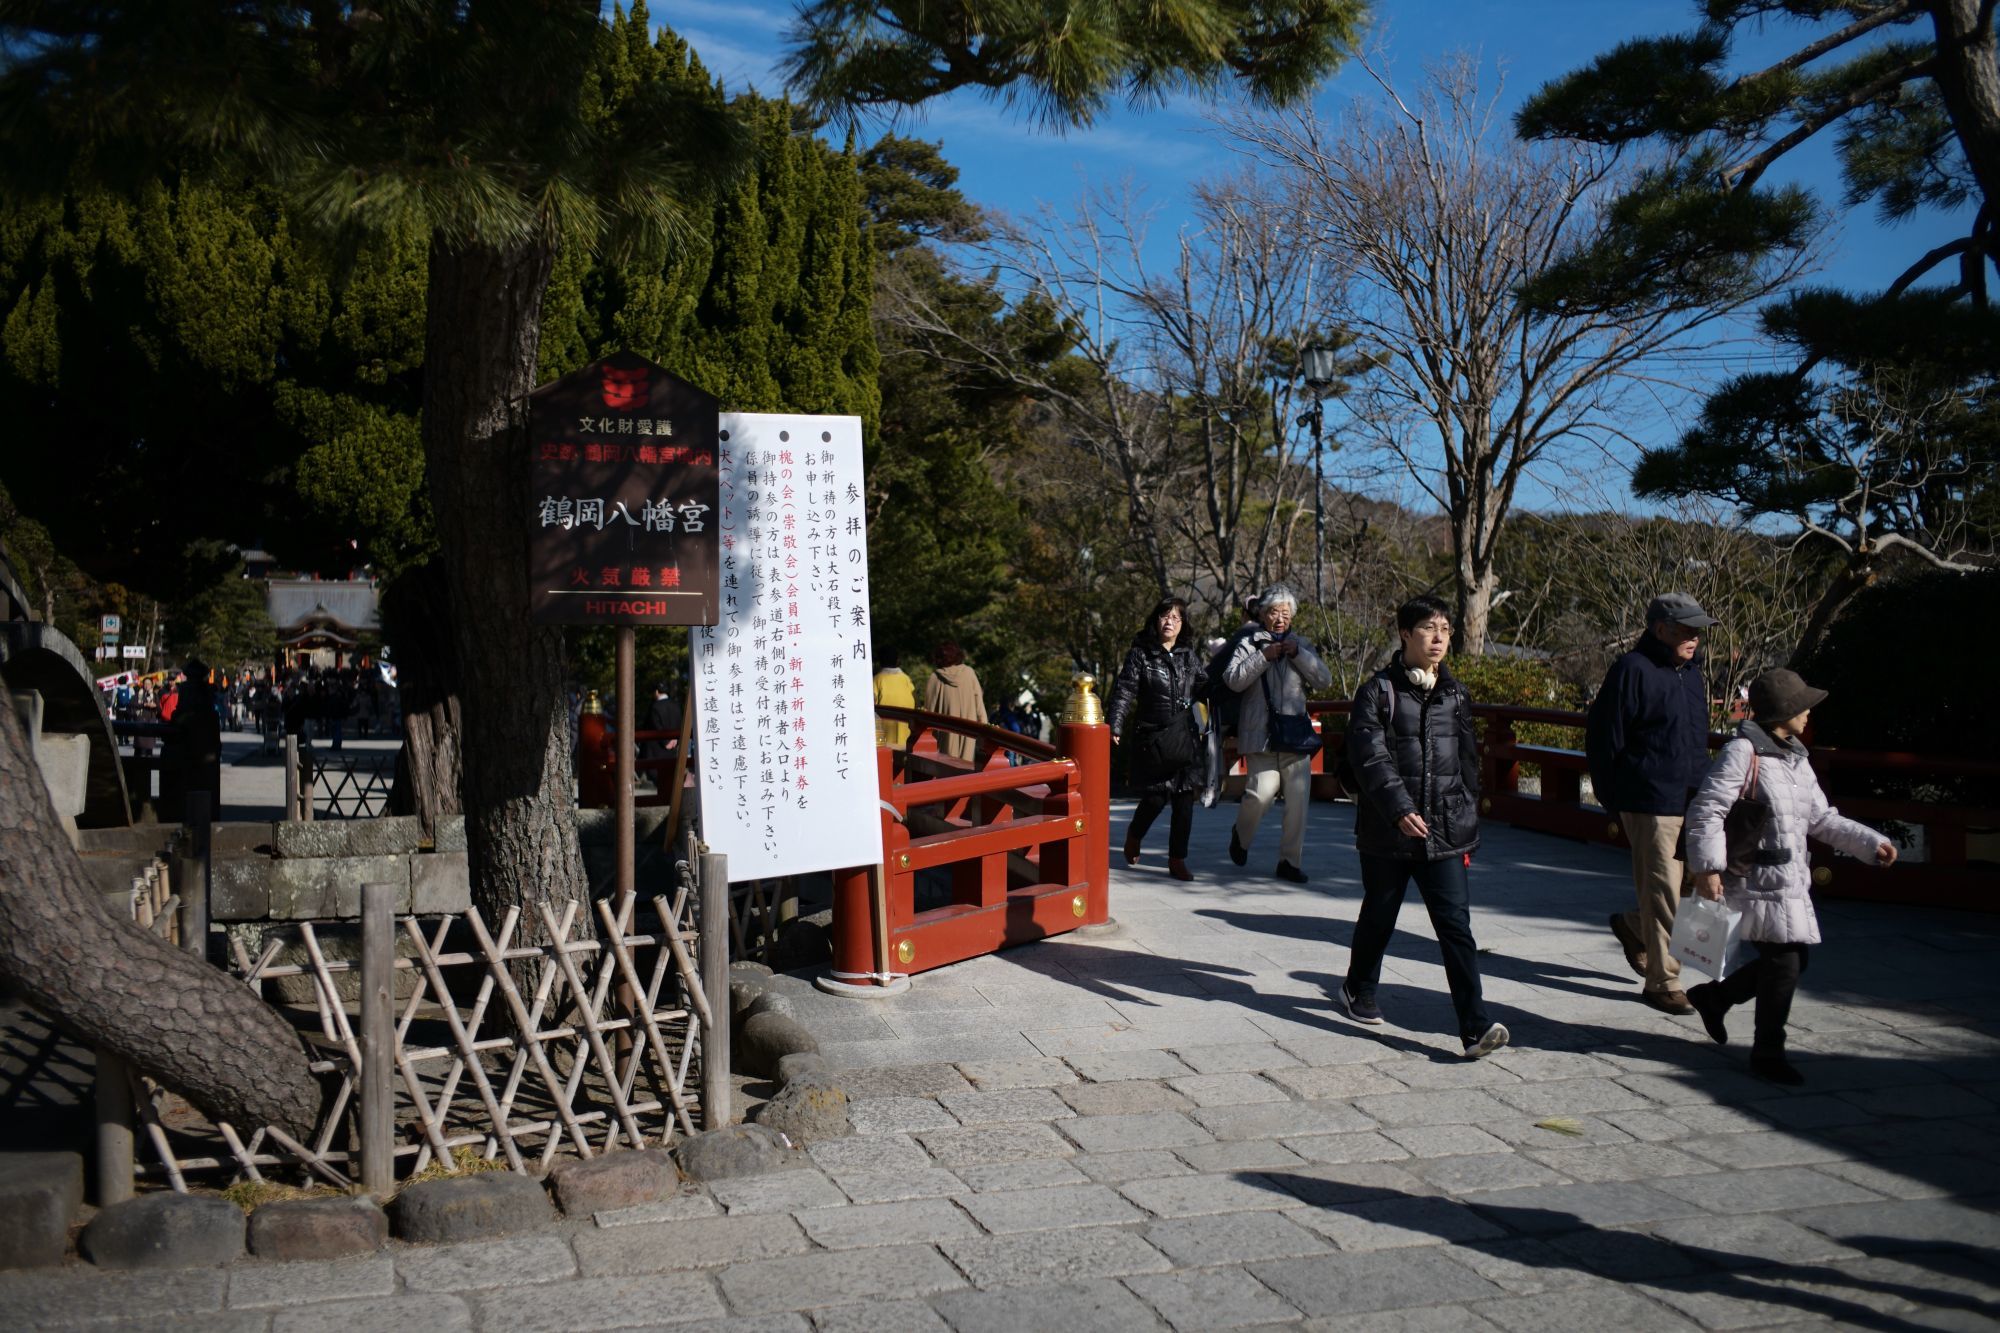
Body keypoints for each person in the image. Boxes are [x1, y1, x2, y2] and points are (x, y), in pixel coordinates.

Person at [1683, 669, 1897, 1085]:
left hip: (1789, 879)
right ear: (1785, 711)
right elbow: (1707, 810)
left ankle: (1716, 997)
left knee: (1793, 958)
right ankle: (1767, 1051)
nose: (1809, 713)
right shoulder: (1744, 752)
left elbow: (1821, 818)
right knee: (1785, 962)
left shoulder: (1797, 757)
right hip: (1752, 876)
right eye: (1803, 706)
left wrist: (1870, 844)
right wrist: (1706, 869)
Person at [1338, 597, 1508, 1057]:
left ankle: (1474, 1027)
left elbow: (1468, 761)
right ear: (1404, 635)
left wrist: (1467, 813)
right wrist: (1397, 808)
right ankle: (1358, 987)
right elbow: (1368, 756)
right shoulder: (1378, 691)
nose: (1439, 639)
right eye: (1429, 629)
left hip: (1444, 832)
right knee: (1380, 915)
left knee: (1456, 927)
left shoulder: (1455, 693)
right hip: (1388, 829)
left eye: (1446, 630)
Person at [1585, 592, 1718, 1016]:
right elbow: (1605, 738)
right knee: (1663, 891)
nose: (1694, 638)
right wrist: (1614, 798)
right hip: (1650, 800)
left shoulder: (1693, 674)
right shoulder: (1631, 669)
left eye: (1698, 631)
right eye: (1685, 630)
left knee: (1700, 889)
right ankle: (1663, 981)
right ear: (1660, 629)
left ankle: (1633, 925)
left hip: (1695, 799)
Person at [1224, 584, 1332, 882]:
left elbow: (1324, 680)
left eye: (1286, 613)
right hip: (1261, 737)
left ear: (1292, 617)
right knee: (1259, 795)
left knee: (1298, 805)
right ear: (1263, 614)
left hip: (1295, 736)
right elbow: (1233, 680)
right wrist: (1263, 657)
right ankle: (1241, 836)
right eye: (1274, 612)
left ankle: (1289, 862)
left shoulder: (1302, 644)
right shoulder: (1250, 642)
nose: (1280, 617)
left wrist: (1299, 655)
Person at [1107, 596, 1207, 881]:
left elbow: (1205, 690)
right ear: (1155, 620)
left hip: (1185, 736)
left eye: (1176, 618)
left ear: (1183, 624)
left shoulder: (1189, 655)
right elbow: (1125, 690)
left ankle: (1177, 859)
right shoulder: (1141, 654)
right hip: (1154, 736)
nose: (1170, 622)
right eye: (1165, 616)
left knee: (1185, 800)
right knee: (1155, 797)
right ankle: (1134, 834)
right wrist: (1115, 724)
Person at [923, 641, 986, 763]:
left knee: (946, 766)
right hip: (969, 731)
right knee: (965, 766)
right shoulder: (969, 673)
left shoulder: (935, 678)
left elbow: (927, 711)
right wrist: (985, 728)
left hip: (945, 733)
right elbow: (979, 704)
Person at [873, 648, 915, 750]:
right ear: (897, 660)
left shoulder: (877, 679)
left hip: (885, 736)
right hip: (906, 731)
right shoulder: (906, 679)